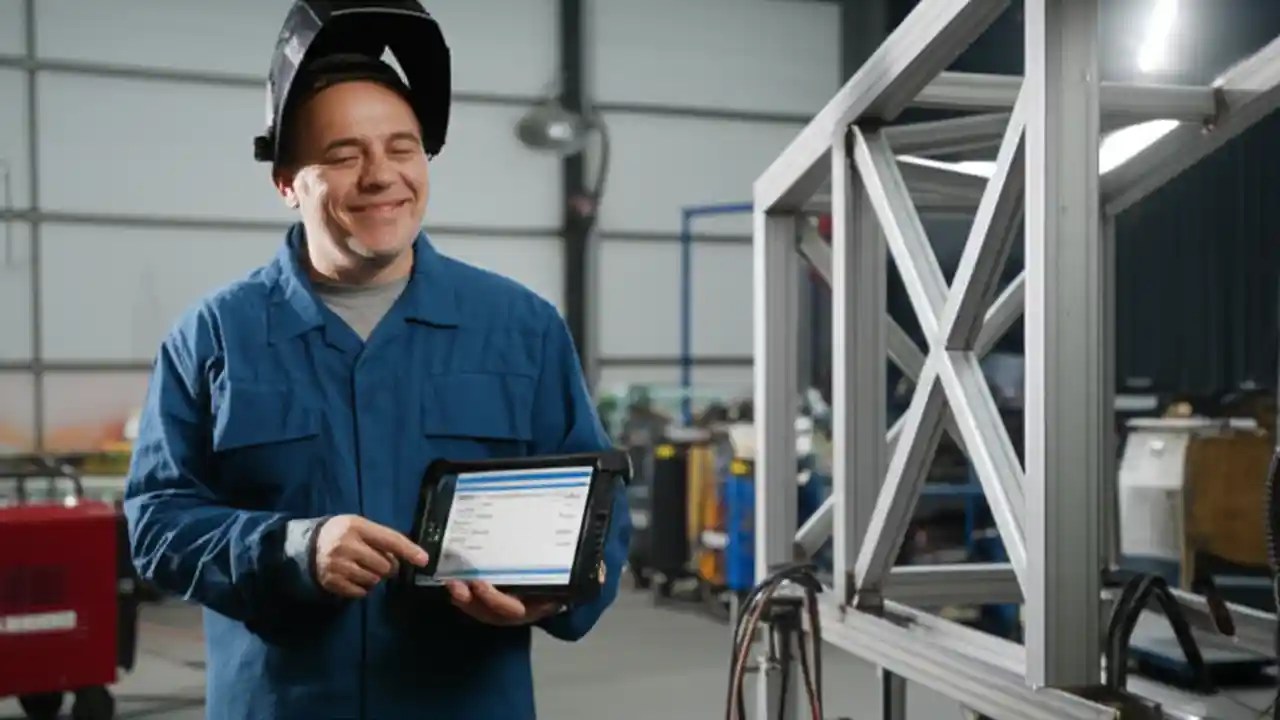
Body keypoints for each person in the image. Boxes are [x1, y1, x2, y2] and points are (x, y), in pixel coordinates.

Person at [122, 7, 630, 719]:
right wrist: (293, 548)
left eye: (404, 147)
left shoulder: (522, 329)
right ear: (287, 180)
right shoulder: (213, 337)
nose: (381, 176)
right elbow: (158, 523)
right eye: (342, 153)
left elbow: (598, 505)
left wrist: (559, 589)